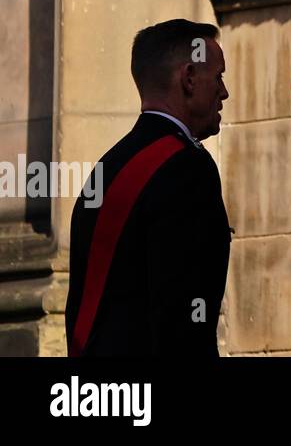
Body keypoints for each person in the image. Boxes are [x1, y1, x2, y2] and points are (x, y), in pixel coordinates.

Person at [65, 20, 231, 356]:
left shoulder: (105, 168)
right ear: (188, 78)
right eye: (218, 76)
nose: (224, 91)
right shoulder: (187, 168)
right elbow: (183, 317)